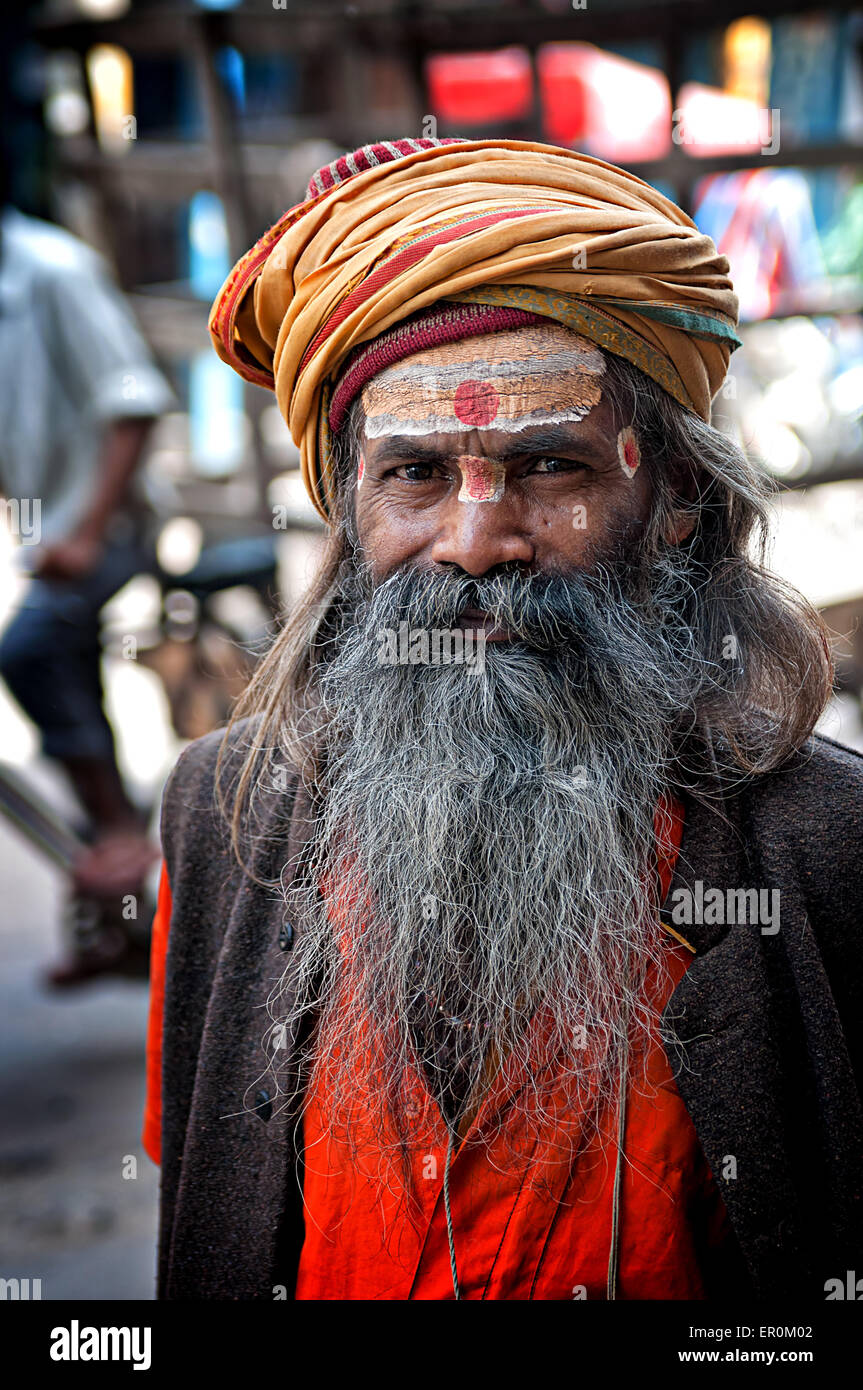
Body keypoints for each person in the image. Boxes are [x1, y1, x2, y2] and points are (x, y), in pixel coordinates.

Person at [143, 138, 862, 1301]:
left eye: (548, 467)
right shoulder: (222, 820)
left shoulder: (828, 850)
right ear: (348, 509)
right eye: (414, 475)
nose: (477, 542)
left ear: (672, 497)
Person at [0, 203, 174, 983]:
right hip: (53, 530)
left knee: (33, 649)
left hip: (115, 524)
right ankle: (114, 915)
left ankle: (115, 833)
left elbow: (132, 403)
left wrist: (85, 531)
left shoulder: (53, 269)